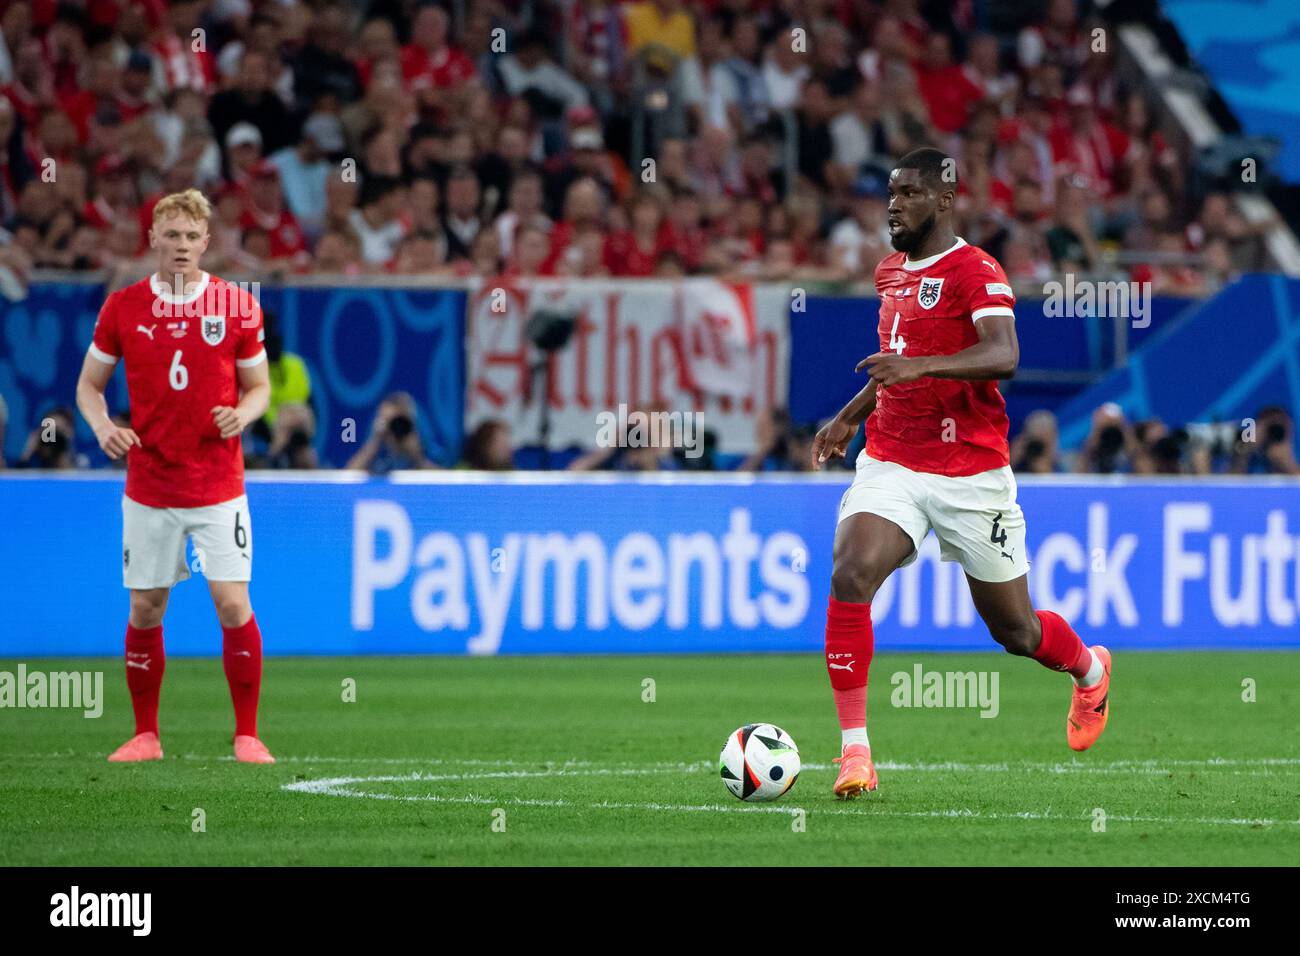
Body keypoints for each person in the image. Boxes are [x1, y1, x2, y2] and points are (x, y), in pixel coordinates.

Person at [811, 148, 1111, 799]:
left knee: (1016, 631)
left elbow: (1004, 355)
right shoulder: (890, 271)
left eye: (909, 193)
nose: (894, 205)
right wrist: (848, 416)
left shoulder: (977, 270)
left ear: (945, 202)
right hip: (893, 459)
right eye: (891, 193)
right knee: (851, 571)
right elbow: (896, 361)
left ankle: (1089, 670)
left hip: (972, 474)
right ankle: (854, 754)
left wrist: (921, 368)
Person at [74, 188, 276, 765]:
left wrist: (243, 413)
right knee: (147, 608)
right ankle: (146, 736)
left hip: (218, 483)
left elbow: (259, 388)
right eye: (172, 235)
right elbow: (88, 387)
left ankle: (247, 734)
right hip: (151, 484)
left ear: (207, 242)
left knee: (233, 604)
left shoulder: (237, 306)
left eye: (192, 236)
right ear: (153, 239)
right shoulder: (124, 307)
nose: (182, 245)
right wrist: (103, 426)